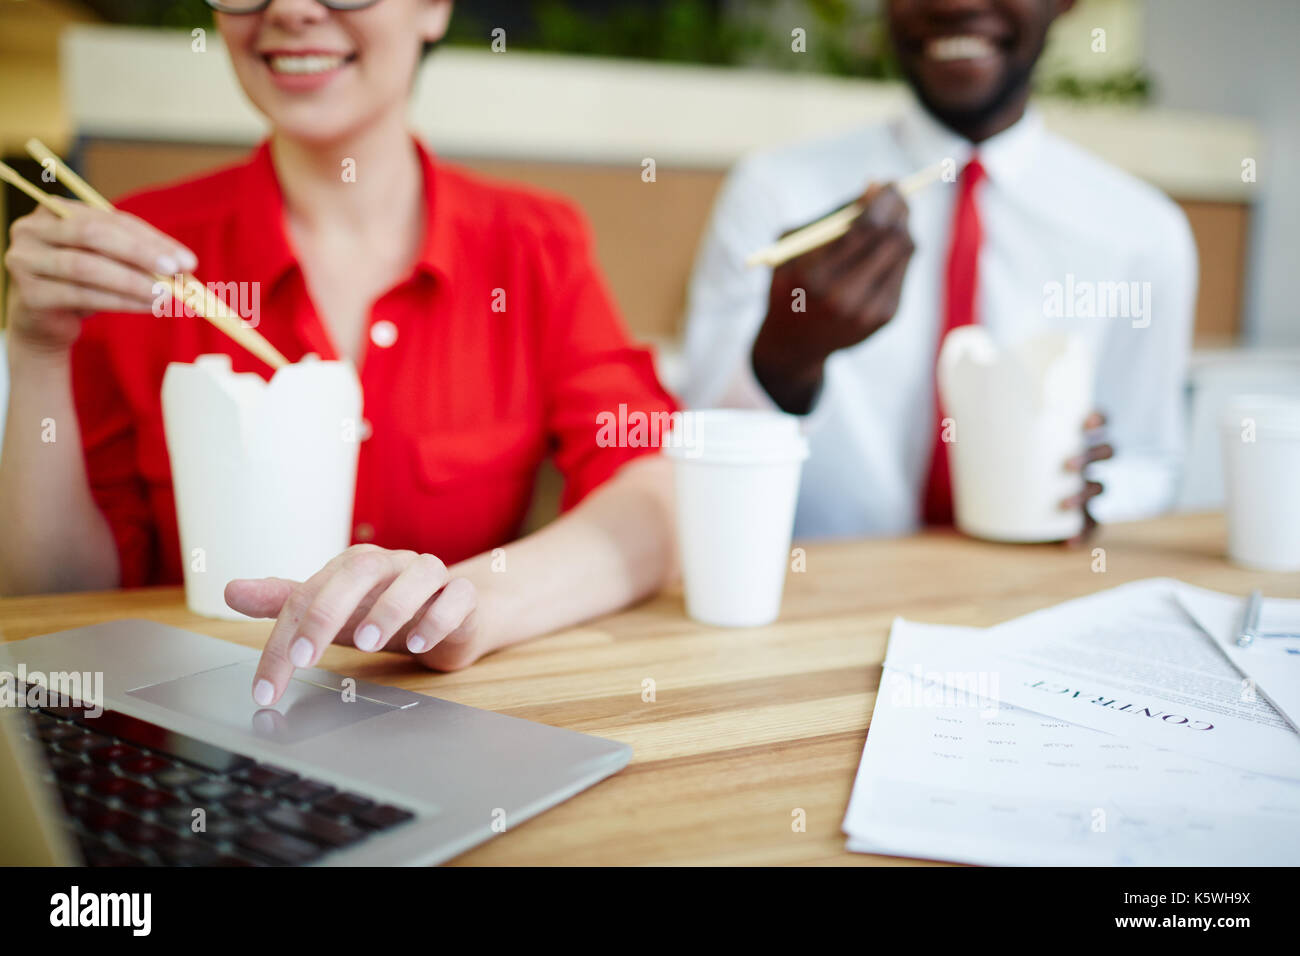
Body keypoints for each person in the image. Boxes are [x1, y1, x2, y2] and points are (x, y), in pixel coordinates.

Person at [0, 0, 678, 705]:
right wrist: (38, 351)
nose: (290, 9)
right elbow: (51, 604)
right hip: (194, 728)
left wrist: (469, 606)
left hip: (440, 717)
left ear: (435, 9)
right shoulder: (138, 257)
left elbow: (655, 497)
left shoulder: (533, 246)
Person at [682, 0, 1197, 541]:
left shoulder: (1143, 232)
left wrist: (1097, 494)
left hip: (1033, 593)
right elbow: (695, 449)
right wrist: (786, 360)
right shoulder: (773, 192)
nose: (955, 2)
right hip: (819, 591)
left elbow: (1150, 463)